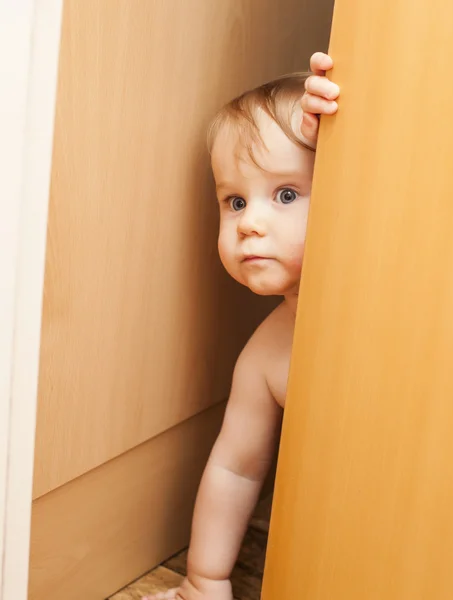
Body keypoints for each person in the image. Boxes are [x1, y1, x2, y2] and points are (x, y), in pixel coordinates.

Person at [143, 51, 339, 600]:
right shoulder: (265, 356)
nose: (249, 223)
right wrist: (204, 578)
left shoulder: (391, 303)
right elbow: (235, 469)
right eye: (233, 201)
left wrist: (360, 126)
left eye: (284, 195)